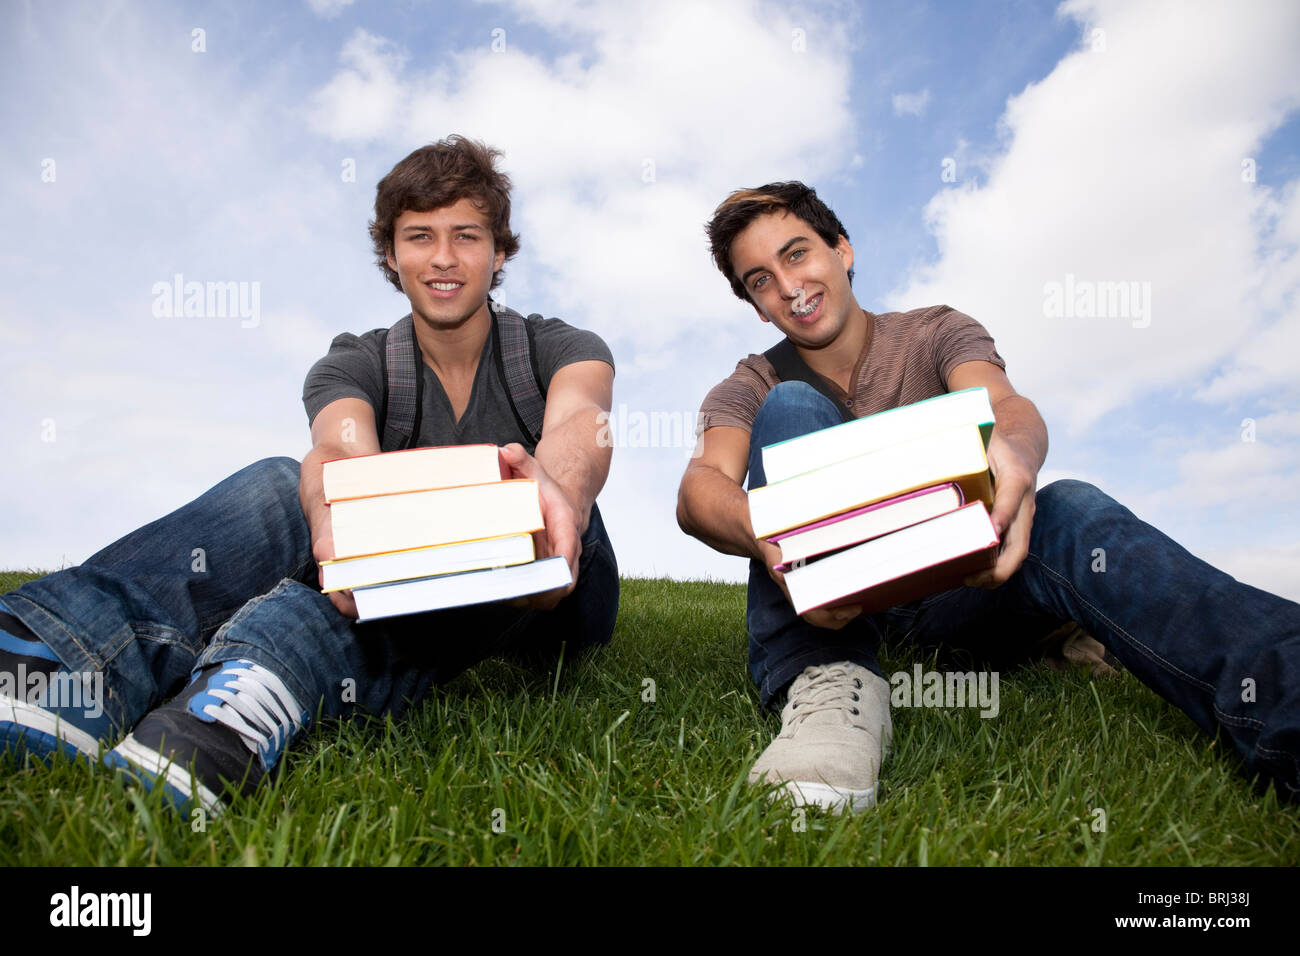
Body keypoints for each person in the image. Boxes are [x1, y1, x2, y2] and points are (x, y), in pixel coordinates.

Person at [0, 136, 619, 812]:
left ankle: (271, 671)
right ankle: (62, 653)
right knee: (284, 481)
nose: (444, 257)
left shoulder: (558, 345)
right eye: (420, 236)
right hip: (414, 565)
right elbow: (339, 451)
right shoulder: (357, 361)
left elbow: (579, 422)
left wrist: (558, 496)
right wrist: (332, 517)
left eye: (466, 236)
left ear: (498, 252)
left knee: (514, 512)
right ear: (392, 255)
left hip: (559, 579)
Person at [676, 181, 1300, 813]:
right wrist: (769, 531)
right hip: (835, 607)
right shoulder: (754, 379)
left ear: (842, 249)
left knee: (1073, 506)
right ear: (757, 307)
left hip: (965, 588)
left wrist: (1017, 455)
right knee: (791, 406)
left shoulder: (935, 331)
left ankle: (1286, 700)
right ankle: (829, 688)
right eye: (760, 280)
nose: (788, 286)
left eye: (797, 254)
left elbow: (1005, 404)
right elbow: (700, 488)